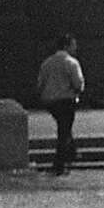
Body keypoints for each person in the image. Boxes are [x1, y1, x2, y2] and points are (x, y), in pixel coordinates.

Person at [35, 33, 85, 177]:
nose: (75, 48)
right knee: (64, 131)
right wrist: (77, 91)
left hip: (50, 101)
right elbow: (78, 83)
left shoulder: (47, 62)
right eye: (73, 45)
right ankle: (61, 162)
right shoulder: (71, 62)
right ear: (66, 46)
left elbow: (40, 84)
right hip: (67, 100)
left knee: (64, 127)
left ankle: (70, 153)